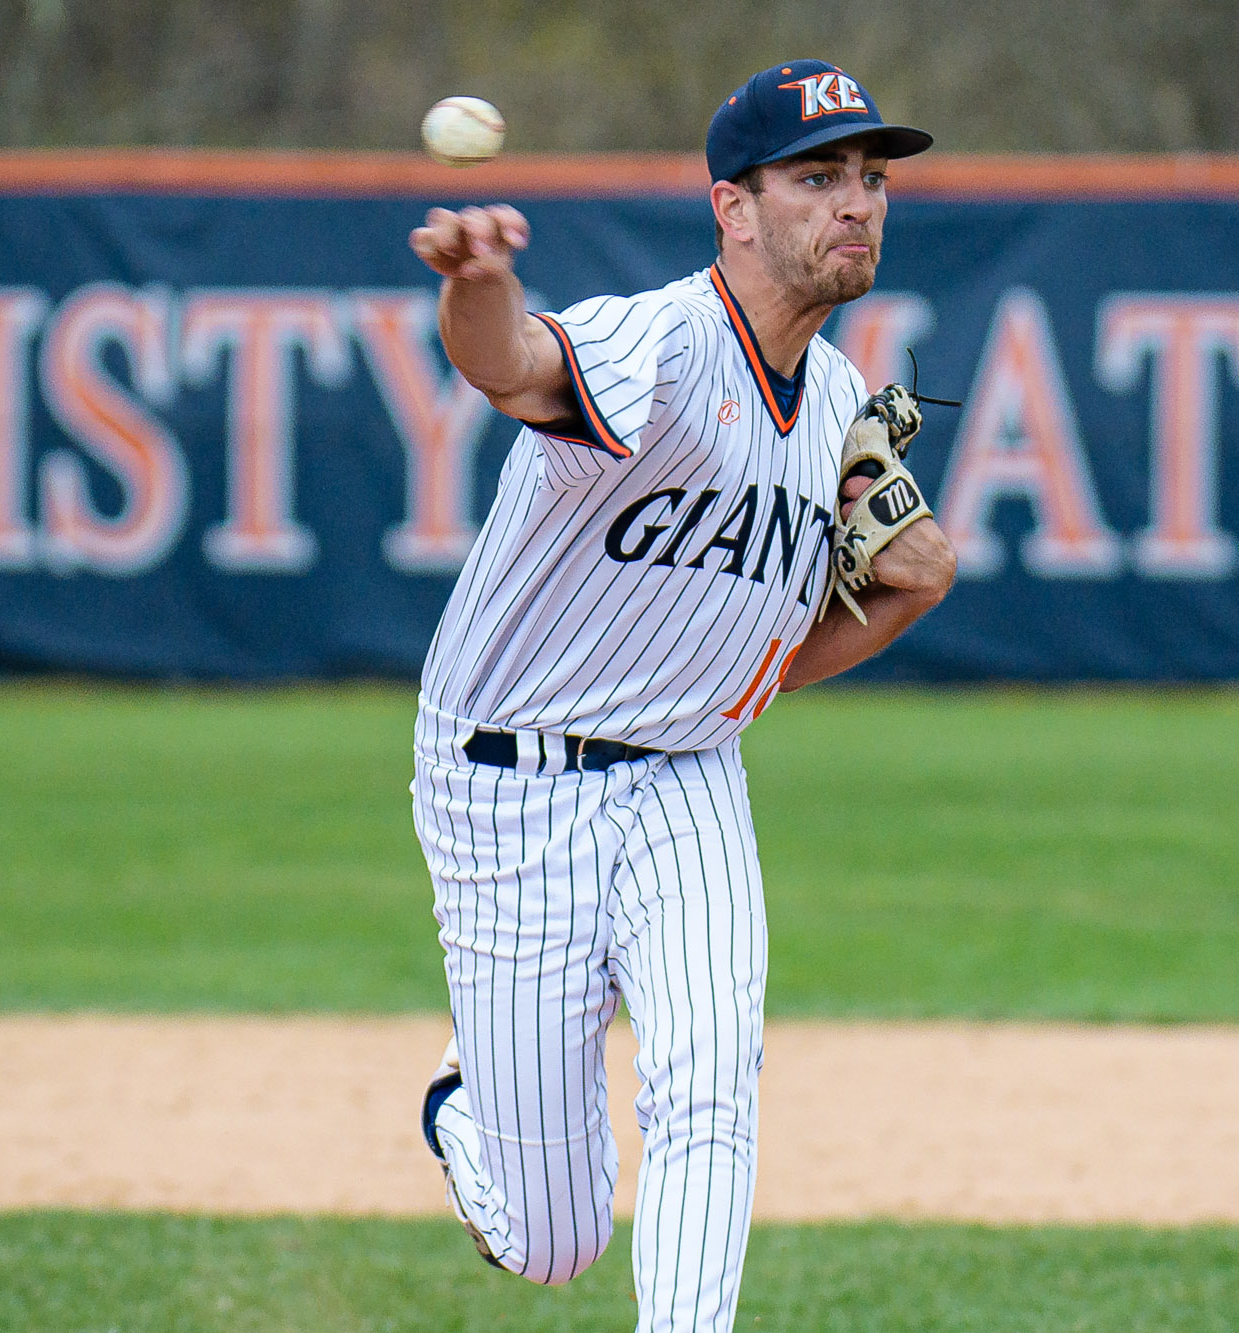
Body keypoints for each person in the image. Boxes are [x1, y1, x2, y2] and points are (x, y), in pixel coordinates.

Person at [406, 59, 955, 1333]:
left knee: (708, 1089)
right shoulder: (655, 343)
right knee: (551, 1242)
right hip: (508, 778)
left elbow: (842, 613)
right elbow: (511, 366)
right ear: (732, 208)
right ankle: (467, 1095)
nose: (856, 202)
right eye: (815, 177)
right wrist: (475, 285)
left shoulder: (836, 401)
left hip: (688, 776)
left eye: (870, 178)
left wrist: (898, 592)